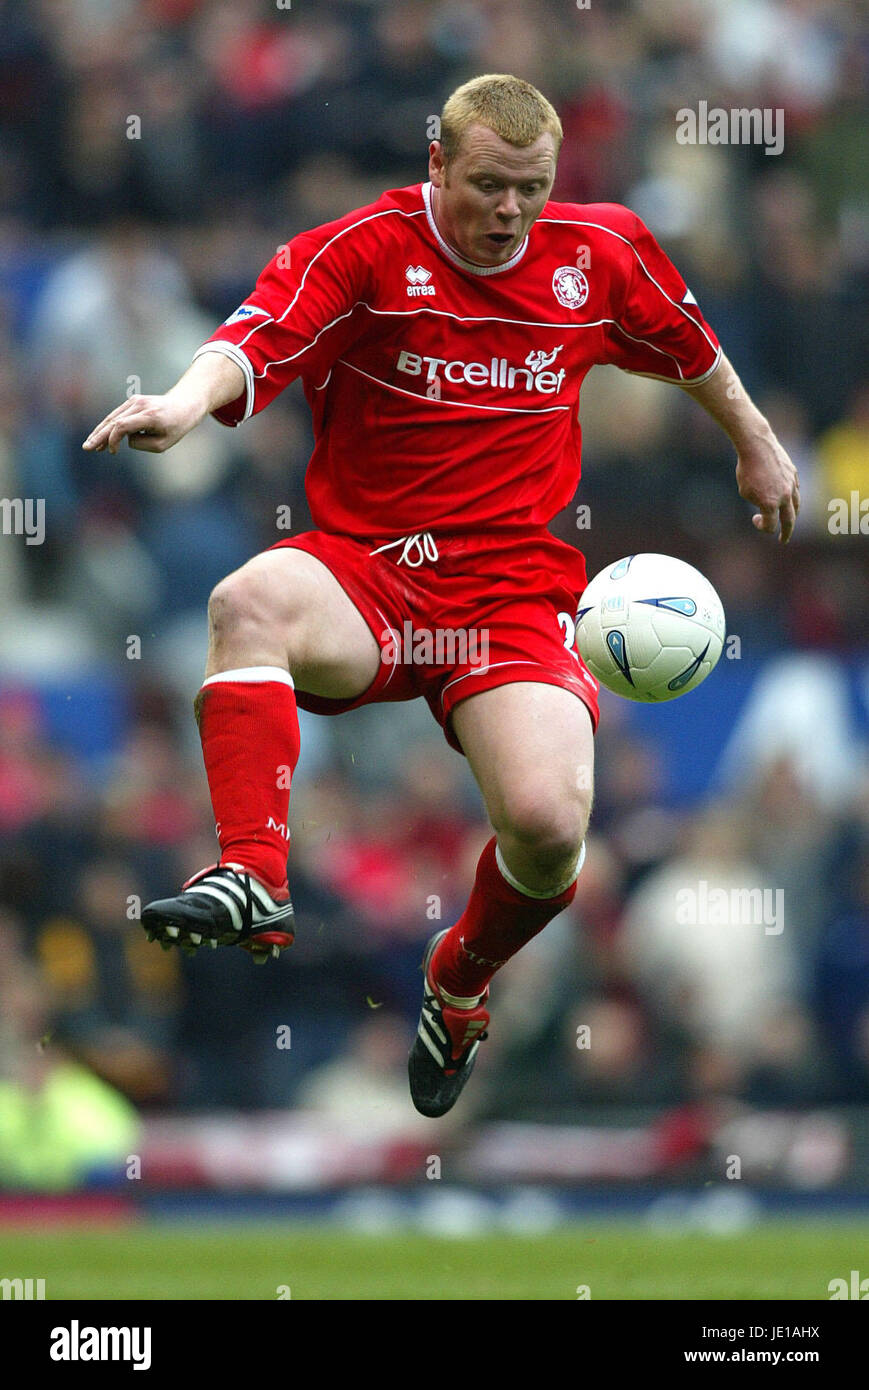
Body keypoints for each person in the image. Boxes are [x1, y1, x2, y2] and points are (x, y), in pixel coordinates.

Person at [82, 74, 800, 1118]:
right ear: (436, 165)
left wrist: (757, 444)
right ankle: (252, 872)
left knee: (552, 827)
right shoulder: (363, 250)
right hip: (370, 571)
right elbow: (255, 335)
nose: (509, 210)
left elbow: (691, 347)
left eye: (531, 189)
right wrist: (183, 407)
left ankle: (457, 980)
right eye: (487, 185)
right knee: (248, 600)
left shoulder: (596, 255)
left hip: (510, 592)